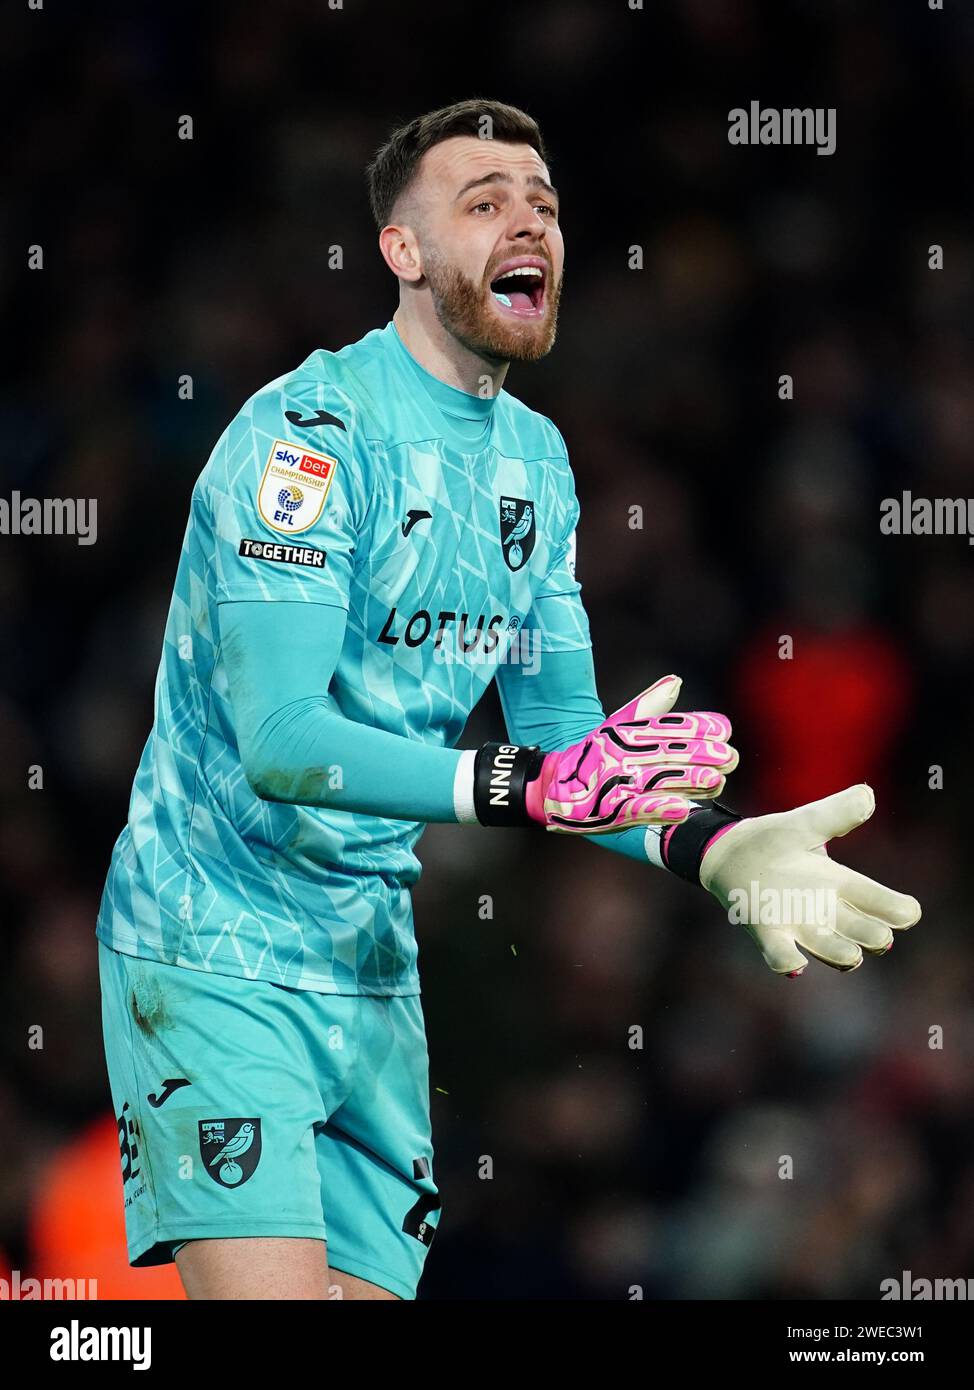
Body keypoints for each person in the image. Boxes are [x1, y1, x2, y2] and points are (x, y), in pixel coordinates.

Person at [96, 99, 920, 1301]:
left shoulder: (533, 462)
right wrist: (523, 786)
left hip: (368, 959)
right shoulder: (306, 439)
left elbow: (567, 745)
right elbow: (280, 742)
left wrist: (715, 847)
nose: (526, 218)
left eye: (540, 201)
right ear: (403, 251)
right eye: (481, 201)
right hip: (210, 944)